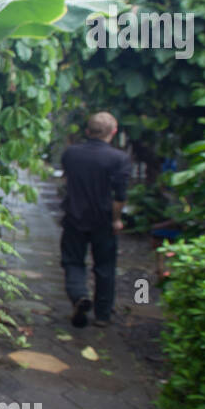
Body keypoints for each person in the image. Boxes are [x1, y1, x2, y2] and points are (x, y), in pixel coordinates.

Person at [59, 111, 131, 327]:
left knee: (72, 260)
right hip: (104, 221)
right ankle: (102, 315)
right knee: (105, 267)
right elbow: (120, 197)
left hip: (74, 216)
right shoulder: (119, 159)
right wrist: (117, 220)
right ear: (114, 132)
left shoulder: (71, 154)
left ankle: (79, 295)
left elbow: (67, 181)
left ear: (88, 131)